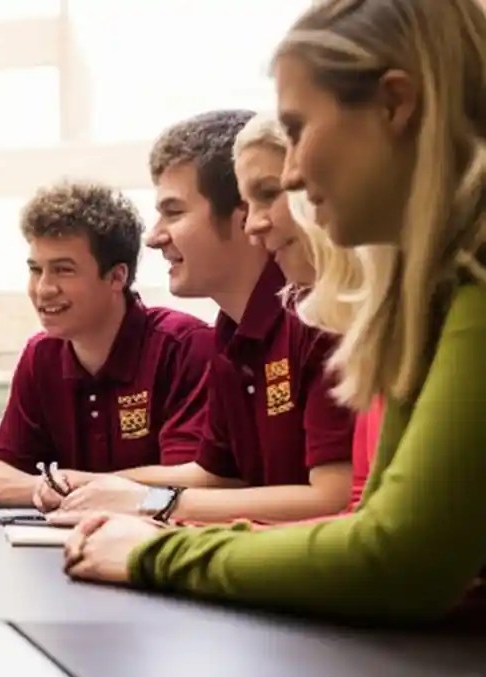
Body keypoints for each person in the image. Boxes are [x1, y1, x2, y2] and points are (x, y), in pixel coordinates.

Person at [64, 0, 486, 624]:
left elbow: (397, 555)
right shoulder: (430, 297)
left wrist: (161, 548)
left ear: (396, 106)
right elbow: (370, 522)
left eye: (299, 129)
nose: (293, 176)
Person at [39, 109, 356, 525]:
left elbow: (335, 498)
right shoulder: (230, 332)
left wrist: (152, 503)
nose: (153, 237)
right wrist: (92, 486)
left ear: (244, 215)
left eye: (173, 212)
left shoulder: (318, 315)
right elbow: (217, 476)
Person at [0, 181, 213, 507]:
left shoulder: (185, 347)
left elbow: (189, 480)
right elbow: (8, 475)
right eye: (36, 270)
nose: (44, 289)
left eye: (63, 270)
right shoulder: (41, 355)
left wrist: (50, 487)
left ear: (117, 277)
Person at [233, 112, 380, 510]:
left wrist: (163, 522)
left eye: (269, 192)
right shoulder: (349, 317)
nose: (252, 226)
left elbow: (351, 515)